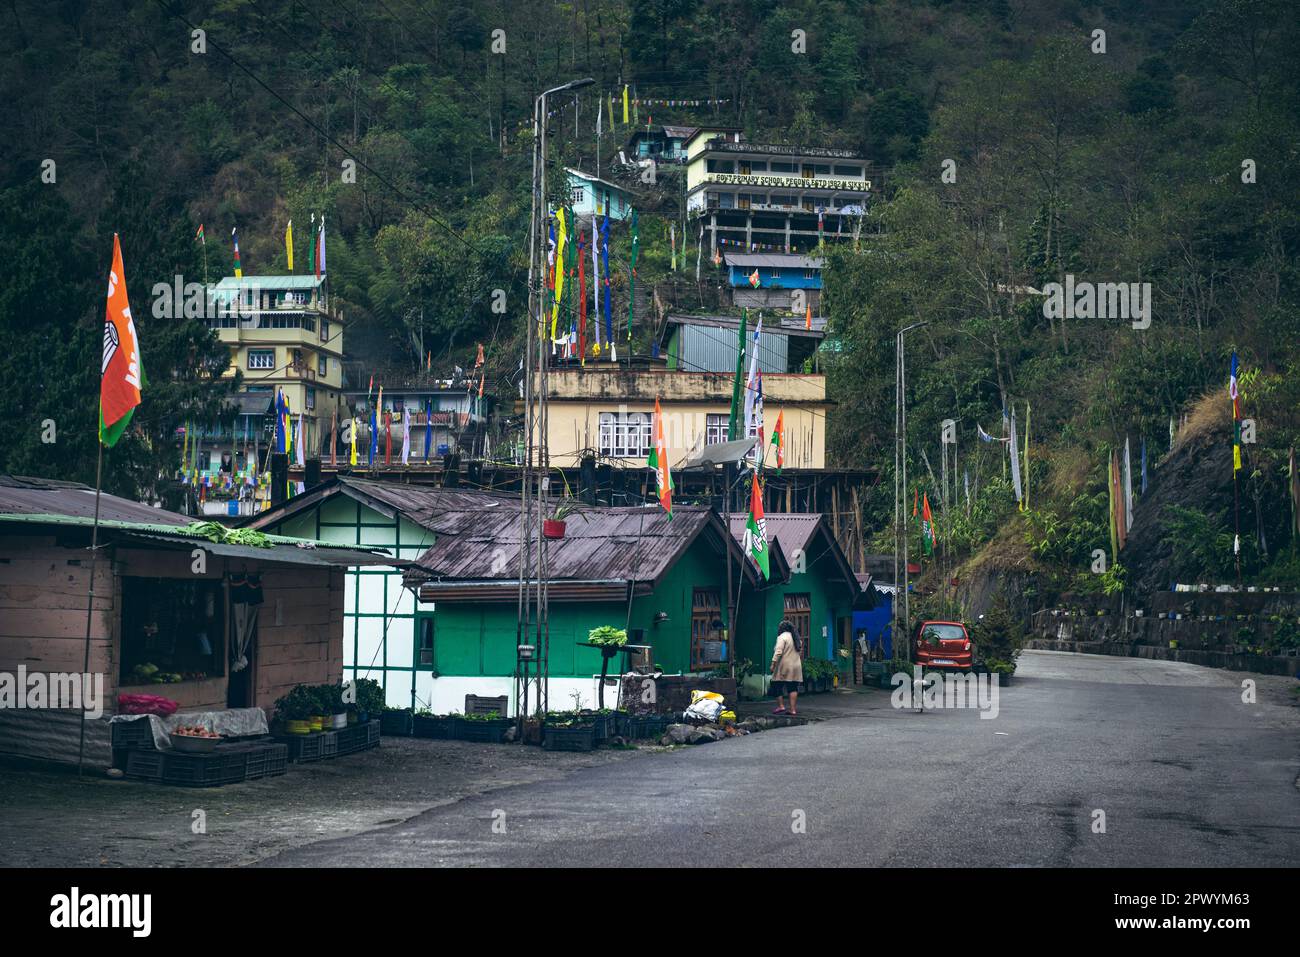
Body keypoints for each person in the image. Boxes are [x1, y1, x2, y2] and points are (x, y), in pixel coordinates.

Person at [770, 619, 804, 715]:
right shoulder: (796, 637)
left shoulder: (782, 637)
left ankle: (781, 706)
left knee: (776, 684)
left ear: (781, 628)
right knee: (793, 687)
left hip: (785, 665)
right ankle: (793, 710)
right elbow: (800, 651)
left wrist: (773, 664)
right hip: (796, 665)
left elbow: (778, 651)